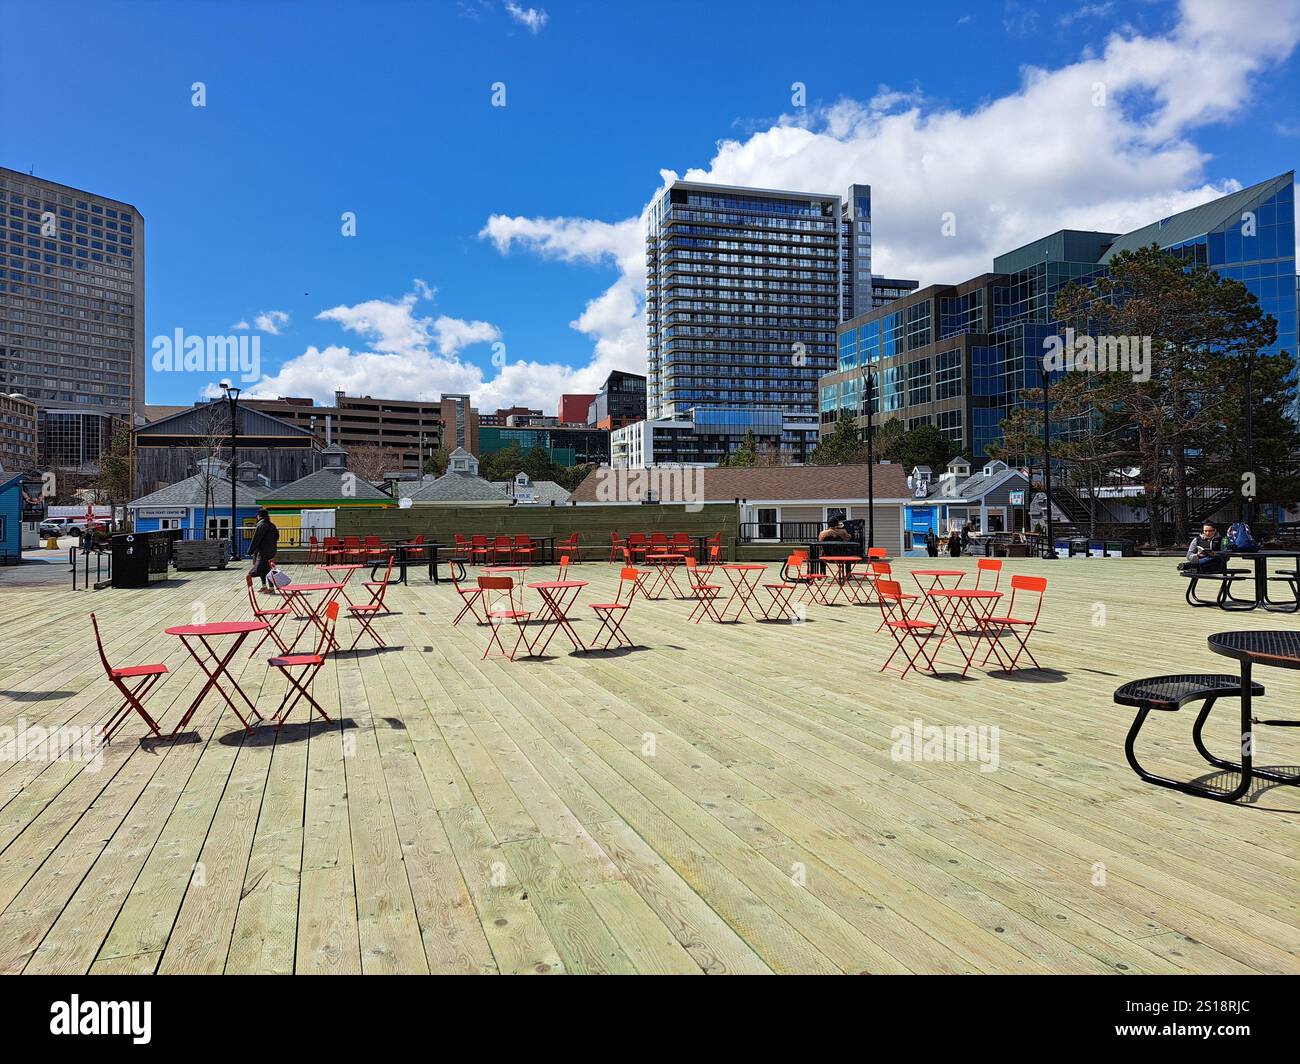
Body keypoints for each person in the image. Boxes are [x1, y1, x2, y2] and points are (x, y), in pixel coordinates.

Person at [247, 508, 280, 592]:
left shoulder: (261, 525)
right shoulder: (272, 525)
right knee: (267, 568)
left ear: (259, 516)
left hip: (262, 551)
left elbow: (256, 539)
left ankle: (271, 588)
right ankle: (265, 586)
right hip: (272, 550)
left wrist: (250, 551)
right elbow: (277, 537)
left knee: (261, 569)